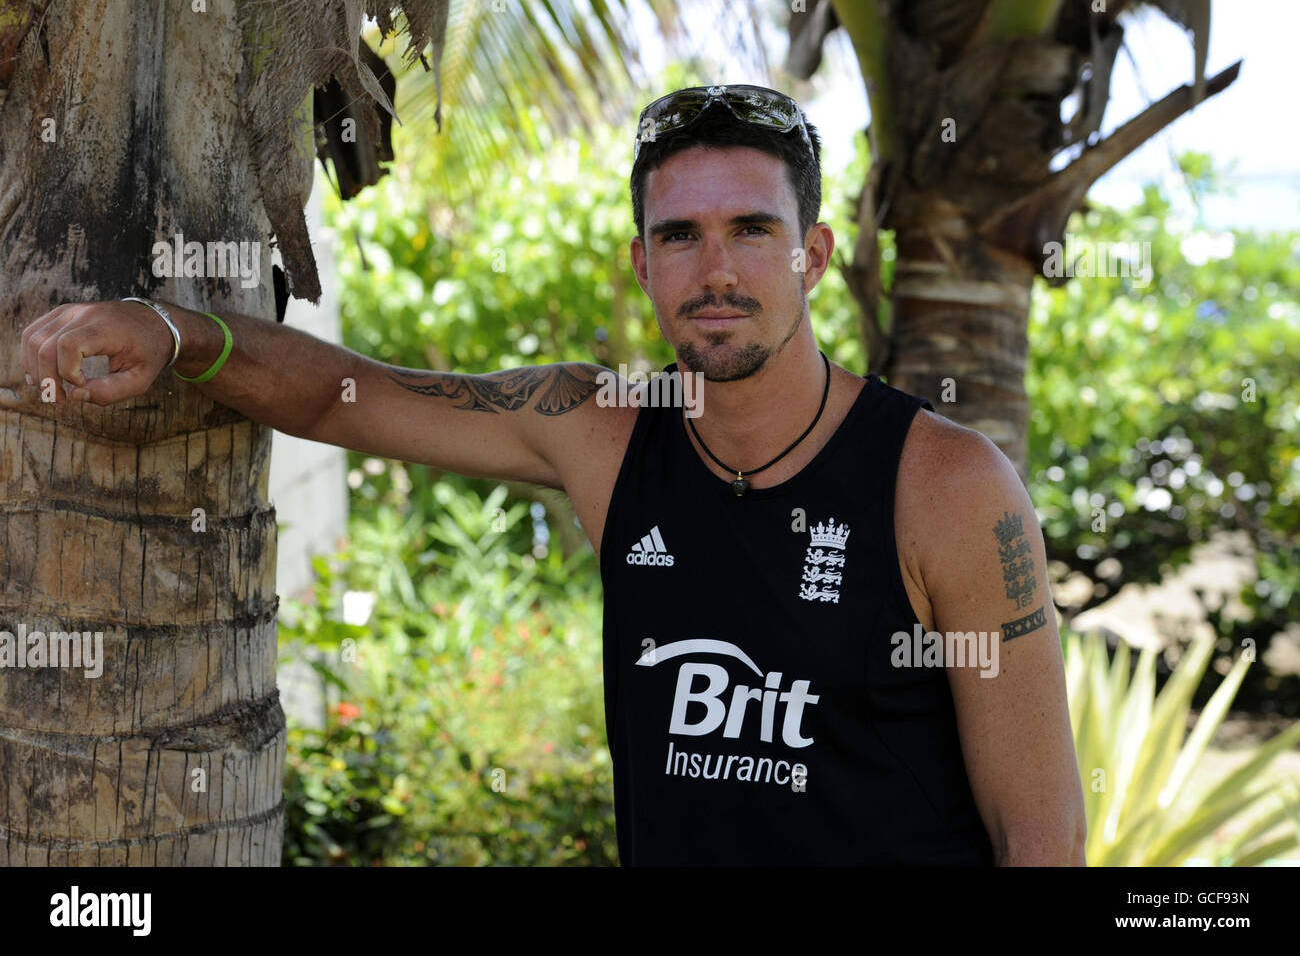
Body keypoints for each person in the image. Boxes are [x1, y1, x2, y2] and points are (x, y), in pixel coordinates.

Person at [5, 84, 1085, 866]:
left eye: (753, 231)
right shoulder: (605, 430)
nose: (715, 269)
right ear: (640, 261)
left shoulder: (942, 483)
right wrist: (176, 330)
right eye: (680, 236)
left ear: (813, 254)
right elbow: (355, 393)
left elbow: (1039, 830)